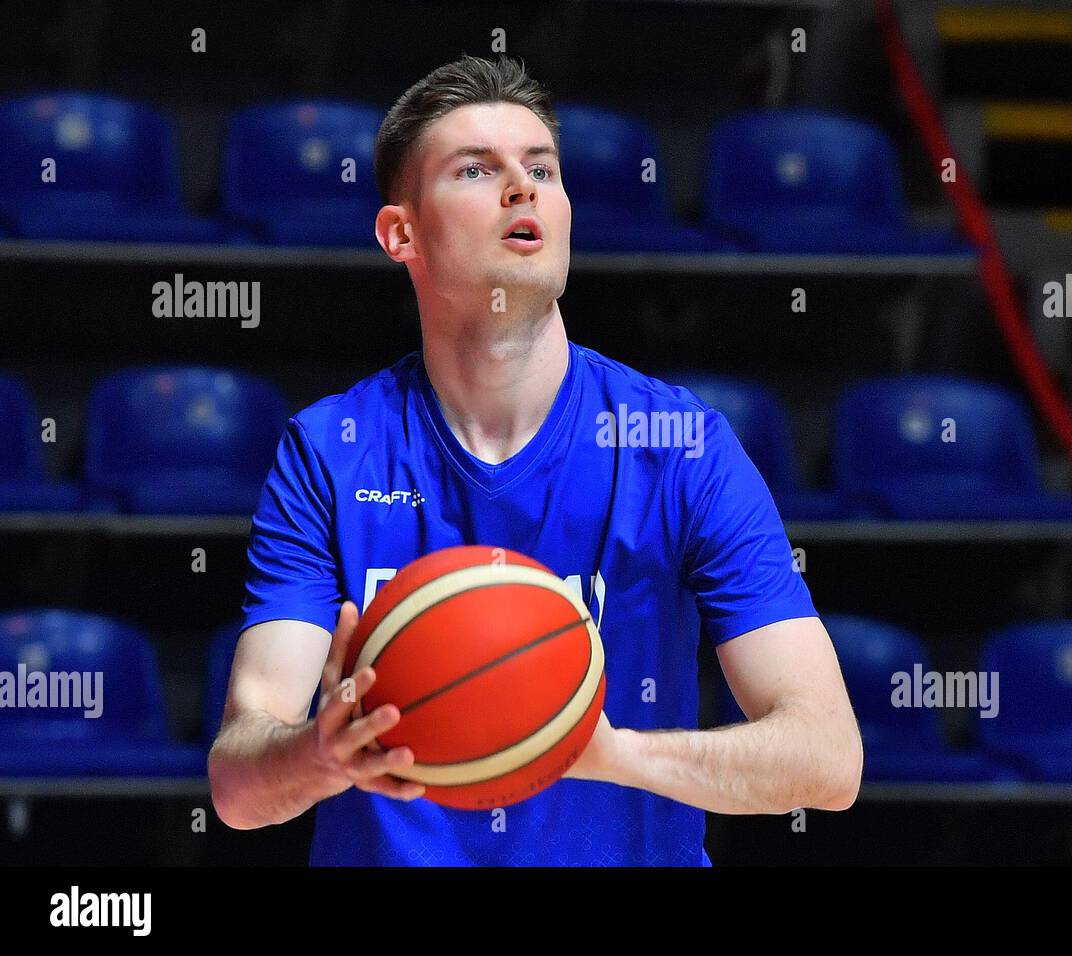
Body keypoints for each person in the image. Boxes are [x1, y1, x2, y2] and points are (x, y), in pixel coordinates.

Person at [208, 54, 862, 866]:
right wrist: (317, 756)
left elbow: (829, 759)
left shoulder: (679, 446)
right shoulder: (331, 451)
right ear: (400, 232)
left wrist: (613, 755)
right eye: (476, 169)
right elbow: (237, 788)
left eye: (542, 170)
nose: (523, 188)